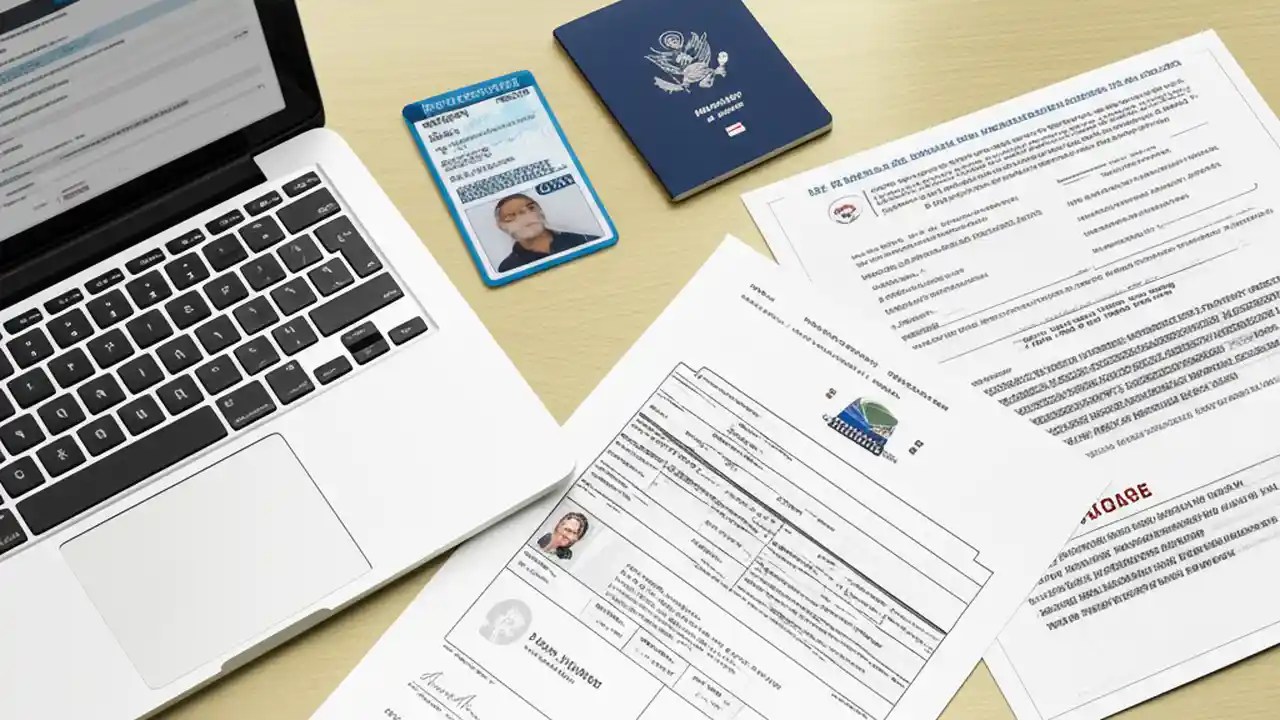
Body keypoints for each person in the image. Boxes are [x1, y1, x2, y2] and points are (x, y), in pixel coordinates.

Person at [492, 193, 598, 273]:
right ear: (501, 226)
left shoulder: (585, 241)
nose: (525, 215)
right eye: (511, 216)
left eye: (530, 208)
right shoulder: (509, 268)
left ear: (541, 212)